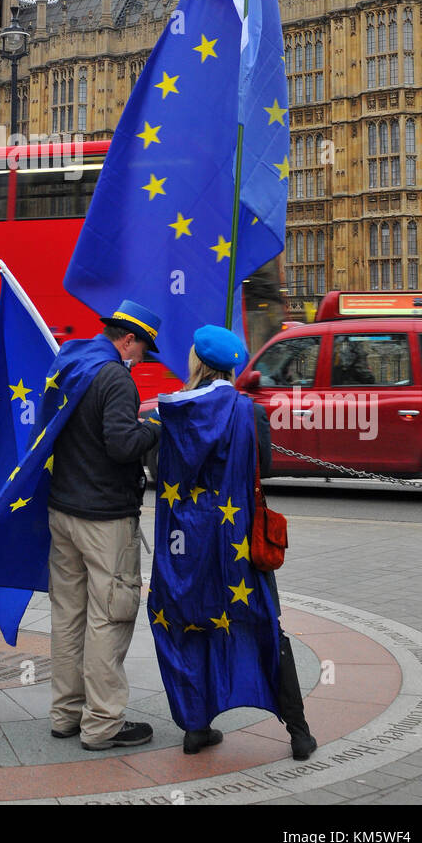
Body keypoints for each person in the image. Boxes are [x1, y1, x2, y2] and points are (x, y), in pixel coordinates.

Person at [159, 324, 317, 761]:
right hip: (236, 540)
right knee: (264, 623)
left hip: (187, 543)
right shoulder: (249, 412)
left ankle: (197, 727)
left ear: (196, 362)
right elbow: (261, 467)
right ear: (230, 368)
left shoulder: (172, 411)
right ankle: (299, 733)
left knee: (192, 623)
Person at [47, 299, 161, 751]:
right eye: (142, 350)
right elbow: (121, 444)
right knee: (109, 618)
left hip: (62, 511)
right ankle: (103, 725)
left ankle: (65, 714)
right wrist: (155, 426)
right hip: (104, 519)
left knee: (68, 616)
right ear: (127, 339)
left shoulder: (71, 360)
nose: (141, 359)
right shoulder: (114, 376)